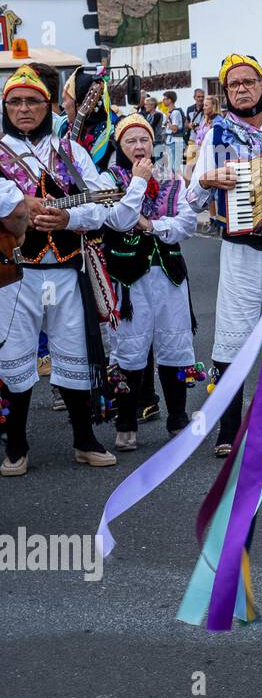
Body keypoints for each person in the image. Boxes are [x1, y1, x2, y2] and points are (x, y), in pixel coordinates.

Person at [0, 64, 149, 475]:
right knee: (15, 357)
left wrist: (68, 220)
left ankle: (85, 440)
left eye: (33, 101)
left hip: (67, 269)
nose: (24, 108)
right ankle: (15, 446)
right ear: (5, 106)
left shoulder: (70, 152)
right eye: (15, 101)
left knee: (75, 355)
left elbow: (102, 204)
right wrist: (17, 207)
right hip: (16, 274)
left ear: (47, 106)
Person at [188, 53, 262, 456]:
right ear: (226, 91)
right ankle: (228, 430)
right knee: (232, 342)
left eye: (249, 82)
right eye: (234, 84)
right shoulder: (215, 135)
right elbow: (190, 199)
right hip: (241, 250)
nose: (242, 89)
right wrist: (209, 179)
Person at [103, 114, 198, 451]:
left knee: (174, 342)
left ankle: (177, 417)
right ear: (120, 147)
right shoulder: (110, 178)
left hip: (169, 273)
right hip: (130, 278)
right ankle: (126, 421)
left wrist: (153, 226)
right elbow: (118, 220)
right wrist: (138, 183)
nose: (140, 146)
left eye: (144, 140)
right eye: (131, 141)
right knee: (130, 345)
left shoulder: (172, 178)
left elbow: (187, 224)